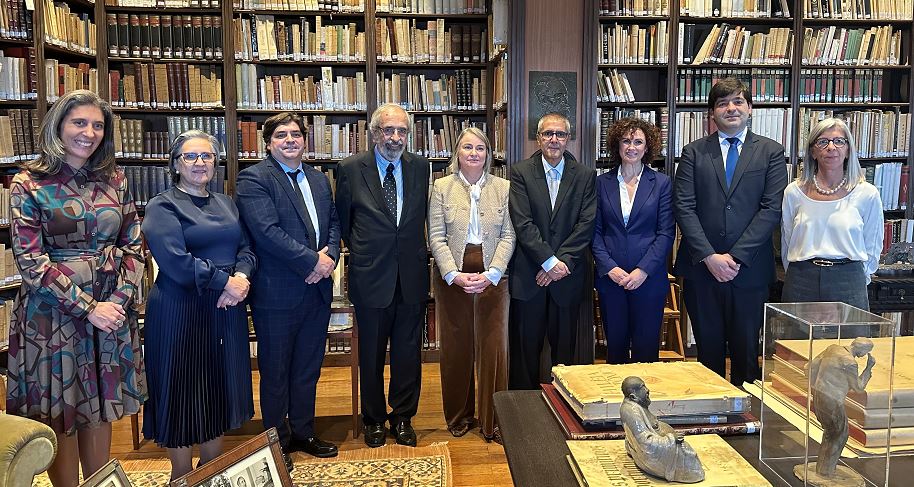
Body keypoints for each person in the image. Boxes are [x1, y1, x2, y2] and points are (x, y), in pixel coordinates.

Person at [5, 90, 146, 487]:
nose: (89, 133)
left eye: (98, 125)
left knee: (100, 408)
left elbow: (133, 244)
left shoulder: (115, 179)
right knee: (60, 410)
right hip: (53, 319)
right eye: (79, 123)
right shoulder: (28, 184)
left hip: (110, 313)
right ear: (58, 126)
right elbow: (32, 263)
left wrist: (116, 302)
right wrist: (89, 308)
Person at [142, 130, 256, 479]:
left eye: (206, 156)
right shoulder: (162, 205)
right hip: (181, 308)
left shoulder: (226, 202)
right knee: (181, 389)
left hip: (224, 307)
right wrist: (227, 283)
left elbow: (247, 249)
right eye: (190, 157)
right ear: (175, 164)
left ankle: (210, 472)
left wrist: (243, 278)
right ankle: (180, 476)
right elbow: (175, 262)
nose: (200, 163)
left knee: (218, 385)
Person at [236, 112, 341, 466]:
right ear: (268, 142)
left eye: (296, 134)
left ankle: (304, 431)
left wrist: (330, 257)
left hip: (317, 291)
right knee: (276, 370)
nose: (290, 140)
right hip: (277, 293)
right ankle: (276, 441)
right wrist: (313, 262)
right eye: (281, 135)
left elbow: (334, 226)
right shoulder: (254, 179)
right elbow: (266, 233)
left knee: (308, 368)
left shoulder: (319, 179)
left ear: (305, 140)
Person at [673, 78, 788, 386]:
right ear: (713, 113)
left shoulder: (771, 152)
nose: (731, 108)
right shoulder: (693, 153)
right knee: (707, 353)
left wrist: (736, 256)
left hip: (749, 270)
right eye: (723, 103)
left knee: (747, 353)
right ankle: (709, 422)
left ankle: (745, 423)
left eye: (738, 101)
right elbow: (684, 208)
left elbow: (772, 208)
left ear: (750, 108)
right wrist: (710, 256)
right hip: (702, 270)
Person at [335, 103, 430, 448]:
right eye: (388, 130)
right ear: (374, 133)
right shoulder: (349, 169)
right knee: (371, 354)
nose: (395, 137)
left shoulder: (421, 167)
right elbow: (345, 222)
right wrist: (365, 252)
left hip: (411, 276)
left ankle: (403, 417)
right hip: (371, 275)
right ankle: (374, 419)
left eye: (401, 131)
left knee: (408, 354)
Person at [428, 127, 516, 442]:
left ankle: (494, 420)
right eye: (468, 147)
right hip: (453, 275)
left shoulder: (503, 187)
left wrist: (493, 272)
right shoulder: (441, 187)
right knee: (456, 348)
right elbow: (436, 236)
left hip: (494, 274)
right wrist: (452, 273)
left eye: (480, 148)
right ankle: (458, 416)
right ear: (457, 153)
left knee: (494, 348)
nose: (474, 153)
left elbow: (509, 234)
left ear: (488, 154)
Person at [508, 112, 596, 390]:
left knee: (565, 357)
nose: (554, 140)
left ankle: (565, 414)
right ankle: (522, 414)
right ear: (538, 138)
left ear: (568, 139)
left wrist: (560, 264)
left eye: (559, 134)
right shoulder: (520, 172)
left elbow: (586, 224)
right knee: (525, 354)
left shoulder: (585, 175)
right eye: (548, 134)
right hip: (530, 278)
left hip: (567, 279)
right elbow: (523, 223)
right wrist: (548, 262)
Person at [592, 118, 674, 364]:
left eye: (638, 142)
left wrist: (642, 271)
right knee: (614, 349)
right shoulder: (600, 183)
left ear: (647, 147)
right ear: (616, 145)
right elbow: (594, 232)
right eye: (626, 141)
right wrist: (610, 268)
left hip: (648, 280)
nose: (632, 147)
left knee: (647, 350)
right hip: (612, 280)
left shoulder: (661, 183)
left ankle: (644, 402)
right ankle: (616, 401)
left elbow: (666, 233)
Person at [781, 118, 883, 311]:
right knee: (795, 340)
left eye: (839, 141)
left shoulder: (867, 193)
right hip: (801, 280)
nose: (831, 147)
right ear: (813, 151)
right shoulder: (793, 192)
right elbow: (787, 241)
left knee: (850, 341)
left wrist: (857, 279)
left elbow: (873, 246)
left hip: (848, 280)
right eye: (822, 141)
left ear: (848, 150)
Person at [805, 338, 875, 479]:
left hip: (819, 395)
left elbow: (809, 367)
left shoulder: (832, 348)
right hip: (832, 400)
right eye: (867, 352)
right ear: (862, 351)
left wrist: (815, 387)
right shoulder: (850, 363)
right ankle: (826, 471)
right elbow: (858, 387)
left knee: (831, 432)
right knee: (841, 434)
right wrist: (868, 368)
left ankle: (822, 468)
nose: (864, 355)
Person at [619, 376, 704, 483]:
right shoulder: (631, 411)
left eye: (645, 385)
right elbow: (645, 443)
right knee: (687, 454)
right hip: (650, 453)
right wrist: (672, 440)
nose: (647, 390)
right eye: (642, 387)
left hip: (653, 443)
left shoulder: (635, 404)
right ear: (633, 396)